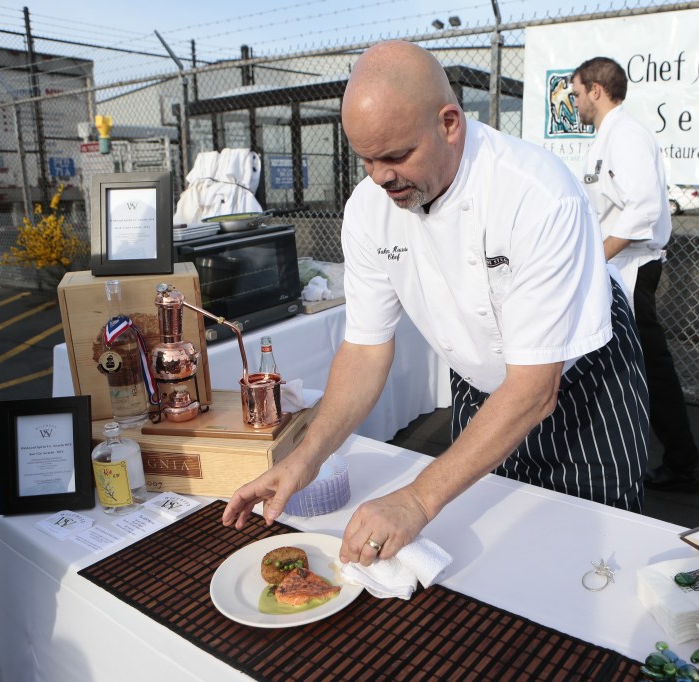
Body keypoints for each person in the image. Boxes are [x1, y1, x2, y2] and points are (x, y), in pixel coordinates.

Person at [223, 41, 648, 565]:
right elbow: (365, 350)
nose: (380, 177)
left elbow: (535, 388)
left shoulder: (537, 194)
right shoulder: (368, 209)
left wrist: (417, 499)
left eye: (396, 156)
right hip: (480, 384)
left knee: (595, 560)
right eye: (366, 159)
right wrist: (305, 456)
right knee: (483, 552)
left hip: (582, 386)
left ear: (449, 124)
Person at [570, 57, 699, 494]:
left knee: (650, 366)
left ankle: (684, 464)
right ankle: (650, 457)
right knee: (624, 363)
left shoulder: (626, 135)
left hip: (630, 267)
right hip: (616, 266)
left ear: (596, 90)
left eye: (576, 93)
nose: (575, 102)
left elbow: (645, 207)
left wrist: (595, 258)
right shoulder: (607, 137)